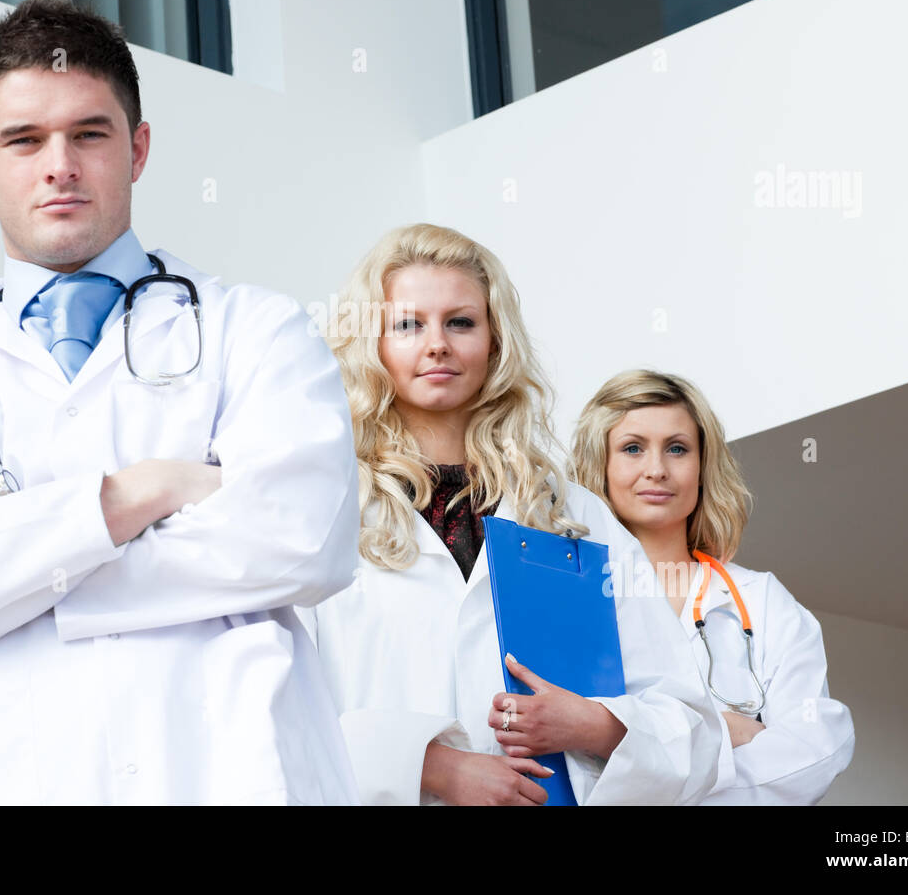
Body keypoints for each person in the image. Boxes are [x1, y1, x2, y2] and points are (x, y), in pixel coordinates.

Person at [0, 0, 360, 806]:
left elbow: (302, 538)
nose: (59, 166)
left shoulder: (258, 331)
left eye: (90, 134)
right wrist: (140, 492)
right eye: (24, 140)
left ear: (138, 148)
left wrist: (5, 540)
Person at [300, 224, 723, 805]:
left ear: (495, 342)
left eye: (461, 322)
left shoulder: (572, 512)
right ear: (372, 343)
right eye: (408, 324)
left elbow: (689, 726)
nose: (437, 344)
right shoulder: (322, 503)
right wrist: (433, 767)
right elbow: (272, 709)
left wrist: (593, 725)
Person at [570, 369, 855, 804]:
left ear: (702, 469)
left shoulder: (761, 601)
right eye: (632, 448)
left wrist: (661, 760)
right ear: (600, 467)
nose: (657, 470)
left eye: (677, 449)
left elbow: (815, 746)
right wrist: (720, 734)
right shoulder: (563, 596)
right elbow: (563, 752)